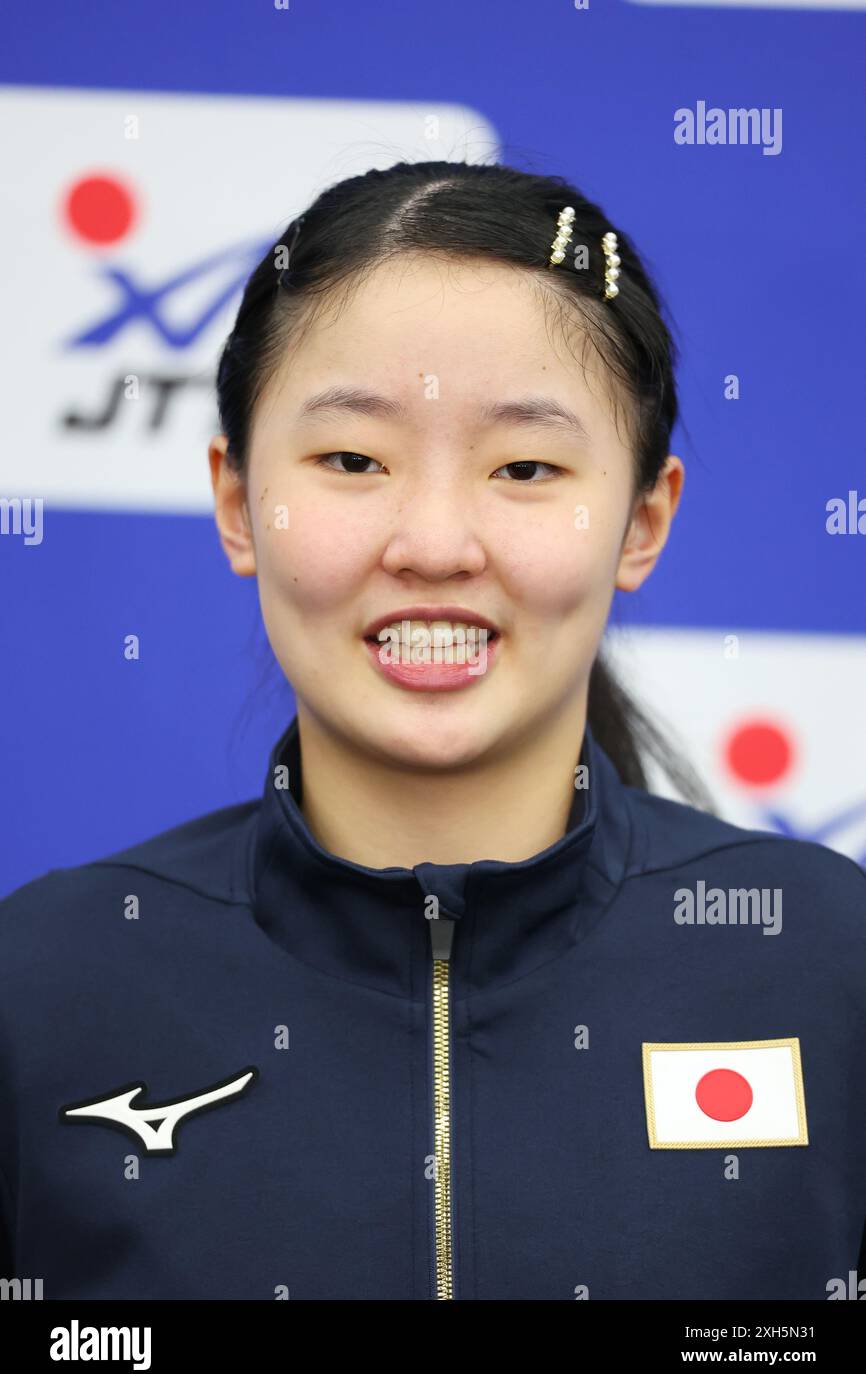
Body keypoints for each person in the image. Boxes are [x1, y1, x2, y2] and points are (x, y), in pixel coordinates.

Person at [1, 160, 863, 1301]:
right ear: (235, 502)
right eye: (352, 460)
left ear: (642, 520)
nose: (435, 541)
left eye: (523, 466)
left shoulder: (824, 965)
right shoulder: (42, 982)